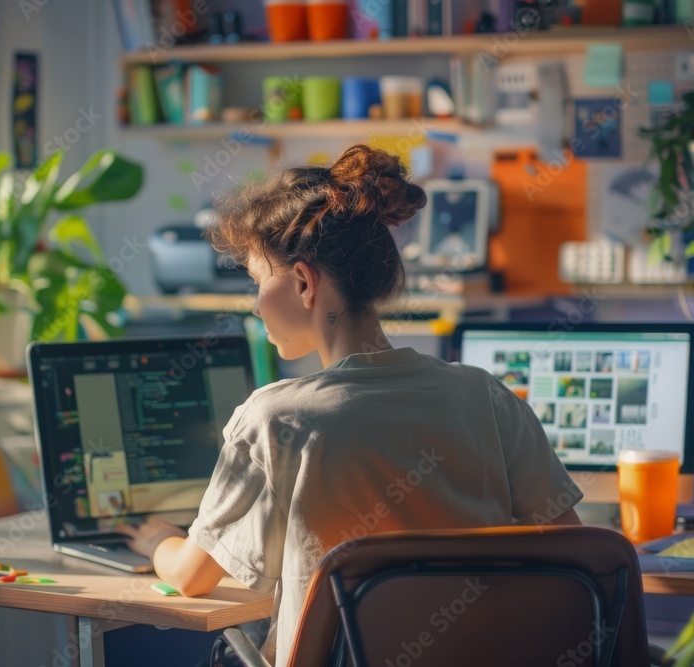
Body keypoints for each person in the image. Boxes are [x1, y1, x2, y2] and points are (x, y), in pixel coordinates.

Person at [116, 144, 582, 667]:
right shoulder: (487, 396)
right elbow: (578, 553)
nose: (256, 306)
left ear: (303, 282)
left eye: (258, 281)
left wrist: (156, 541)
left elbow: (191, 576)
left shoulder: (273, 418)